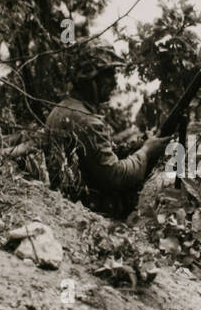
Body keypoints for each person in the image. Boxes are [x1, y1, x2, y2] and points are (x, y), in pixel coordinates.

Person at [44, 43, 168, 218]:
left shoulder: (63, 108)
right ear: (90, 78)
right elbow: (115, 177)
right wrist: (146, 152)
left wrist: (136, 146)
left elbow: (92, 159)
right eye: (108, 75)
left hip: (68, 203)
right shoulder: (86, 120)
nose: (115, 82)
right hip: (89, 212)